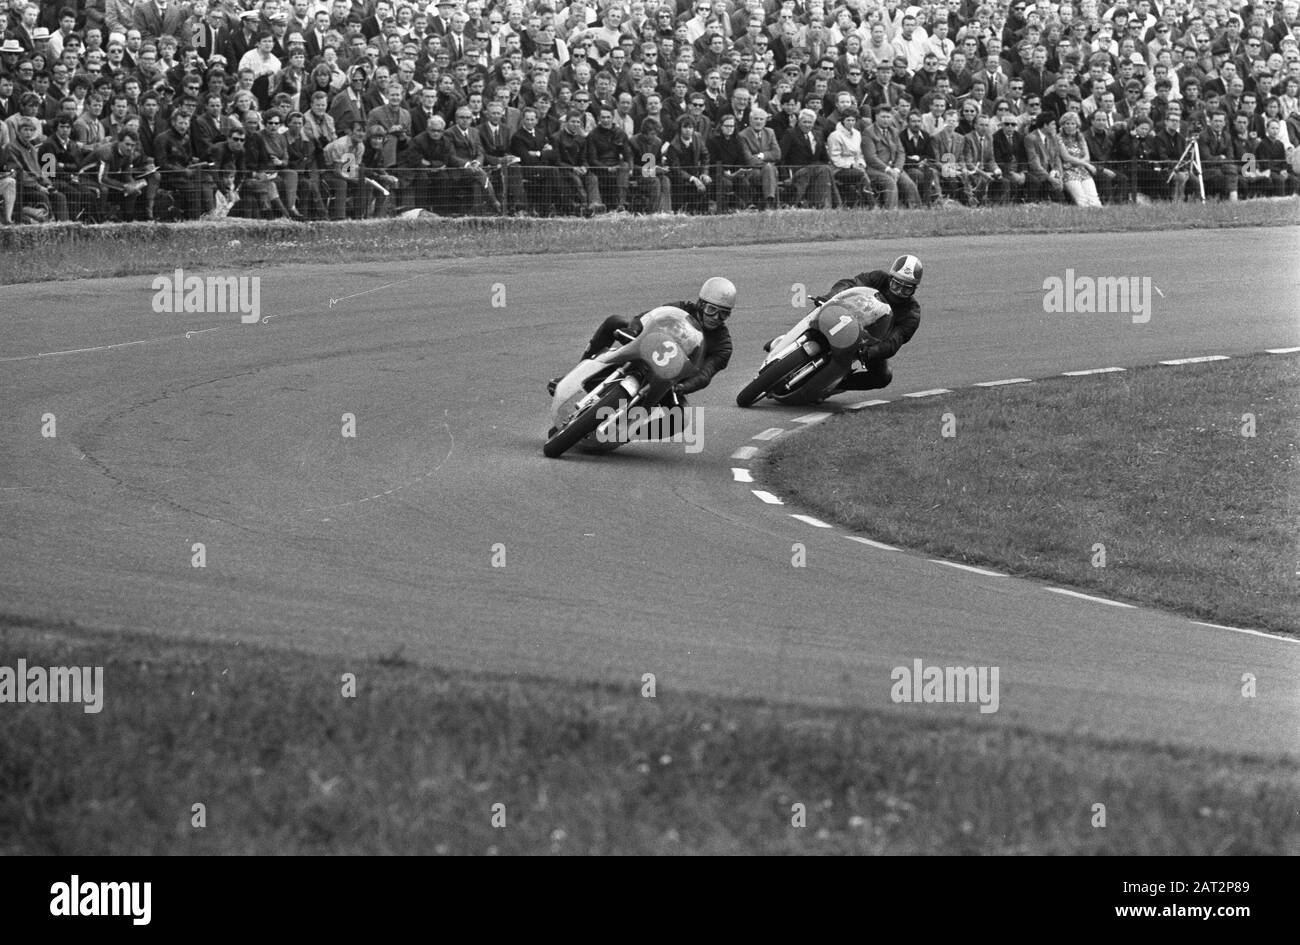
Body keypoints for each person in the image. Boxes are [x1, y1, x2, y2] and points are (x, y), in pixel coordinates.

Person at [547, 277, 738, 401]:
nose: (715, 318)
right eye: (712, 310)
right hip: (645, 351)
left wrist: (684, 387)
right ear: (701, 304)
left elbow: (706, 375)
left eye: (723, 314)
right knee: (614, 321)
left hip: (670, 381)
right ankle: (573, 376)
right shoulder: (680, 308)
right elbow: (649, 317)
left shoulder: (723, 346)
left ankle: (627, 432)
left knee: (680, 421)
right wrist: (632, 330)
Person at [796, 255, 923, 393]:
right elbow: (850, 284)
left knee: (883, 377)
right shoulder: (878, 278)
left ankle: (832, 386)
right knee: (820, 310)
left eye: (906, 289)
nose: (899, 291)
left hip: (869, 342)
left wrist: (871, 352)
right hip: (846, 317)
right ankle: (788, 340)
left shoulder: (911, 313)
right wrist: (829, 298)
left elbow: (894, 342)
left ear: (914, 289)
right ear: (890, 279)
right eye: (896, 284)